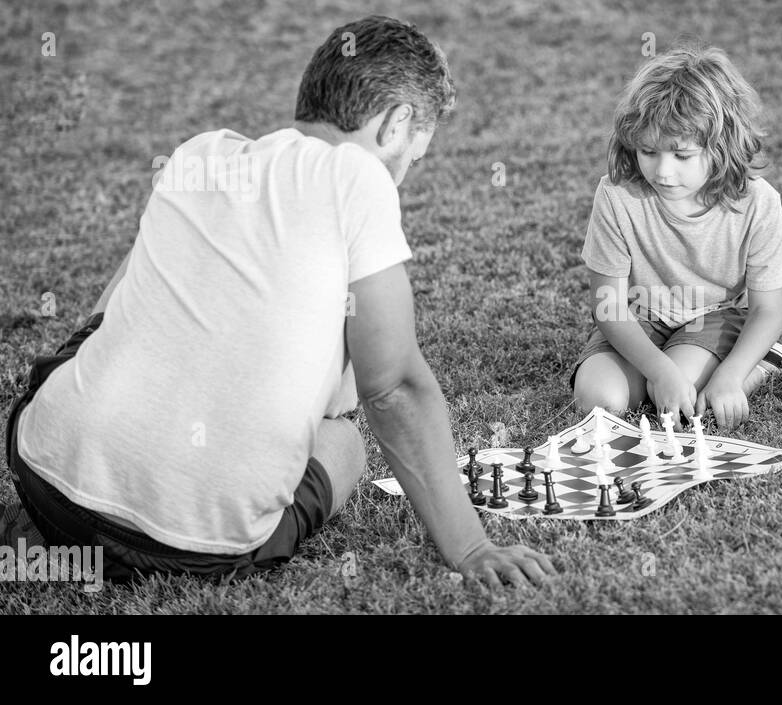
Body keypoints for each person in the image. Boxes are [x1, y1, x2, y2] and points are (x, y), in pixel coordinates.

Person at [1, 16, 555, 589]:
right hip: (191, 550)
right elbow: (390, 389)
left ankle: (71, 499)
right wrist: (472, 548)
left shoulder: (200, 153)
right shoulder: (360, 179)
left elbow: (109, 313)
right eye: (414, 157)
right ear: (396, 124)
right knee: (343, 444)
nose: (406, 176)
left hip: (44, 478)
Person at [572, 44, 782, 430]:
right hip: (639, 316)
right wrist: (659, 370)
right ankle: (680, 369)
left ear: (721, 146)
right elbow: (608, 307)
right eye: (648, 151)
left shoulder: (759, 203)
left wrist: (729, 377)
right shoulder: (617, 195)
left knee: (680, 402)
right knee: (600, 401)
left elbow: (767, 310)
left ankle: (757, 363)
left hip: (714, 317)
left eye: (682, 155)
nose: (663, 172)